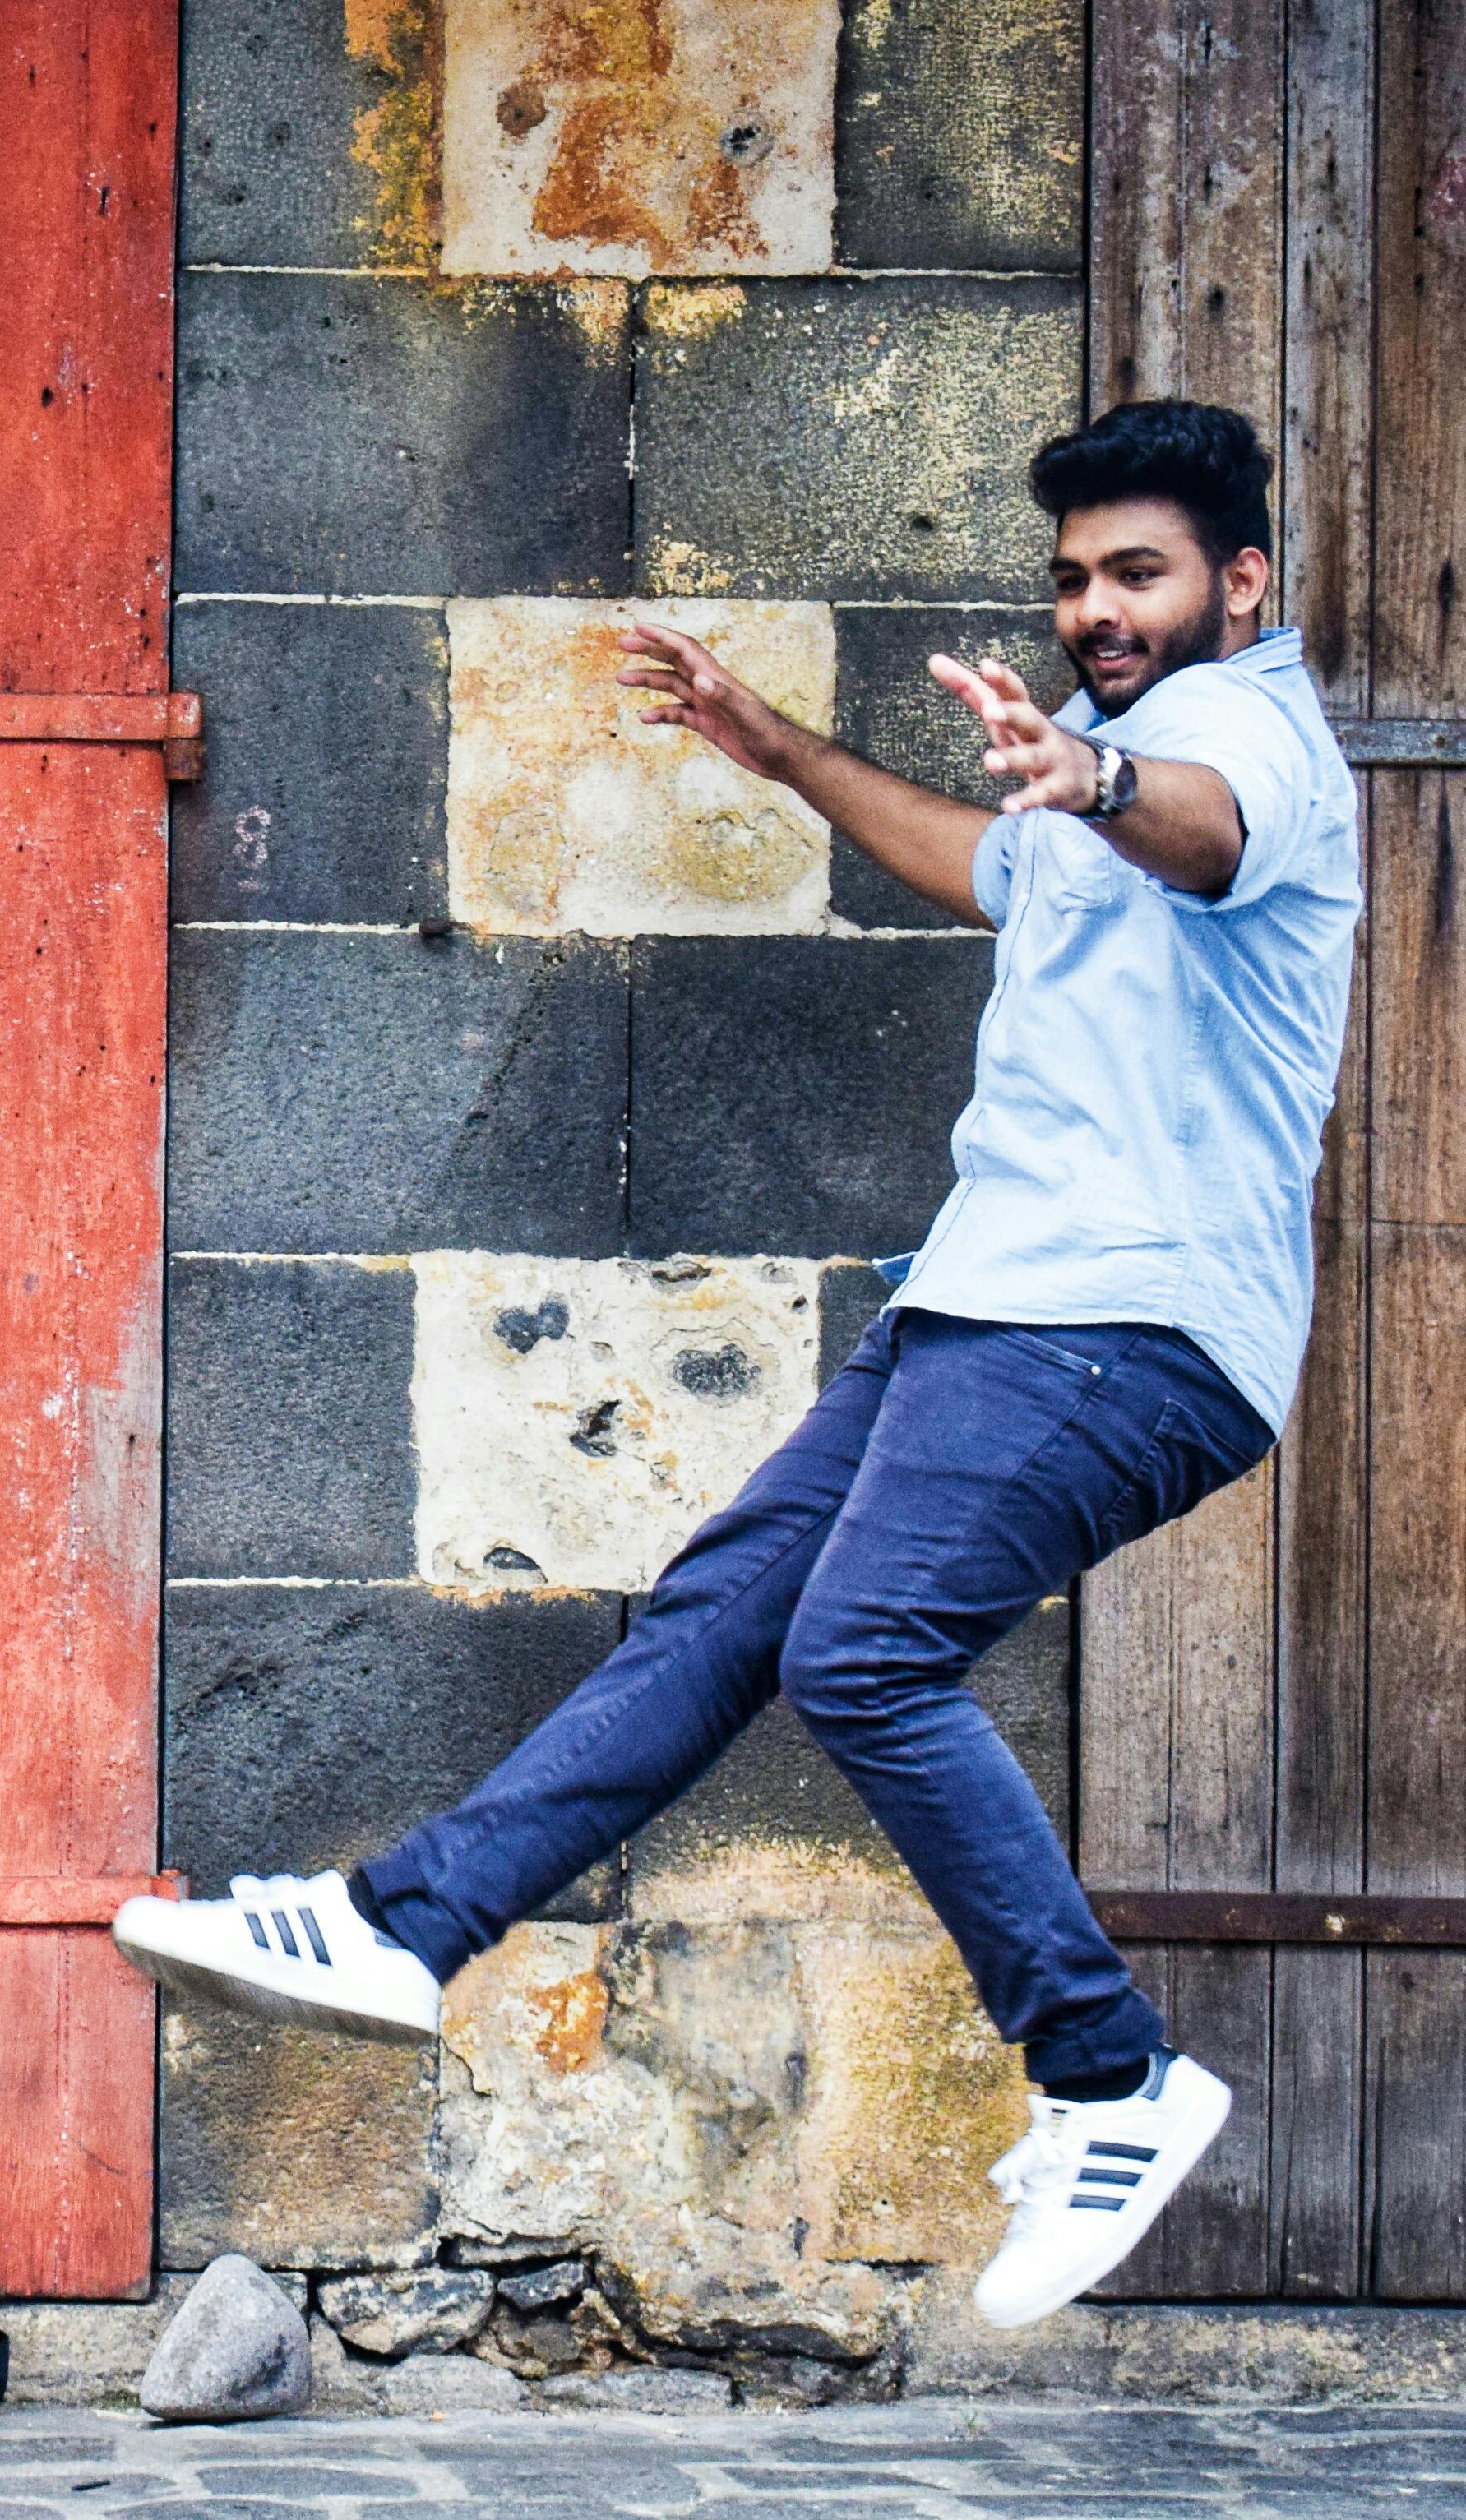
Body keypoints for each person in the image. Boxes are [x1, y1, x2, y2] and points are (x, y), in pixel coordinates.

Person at [117, 397, 1357, 2329]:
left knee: (864, 1647)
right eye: (1073, 580)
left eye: (1140, 573)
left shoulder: (1244, 735)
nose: (1097, 610)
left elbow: (1199, 825)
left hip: (1127, 1314)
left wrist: (1101, 774)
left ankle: (1110, 2069)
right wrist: (780, 749)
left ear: (1242, 581)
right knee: (722, 1617)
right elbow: (988, 864)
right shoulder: (1093, 770)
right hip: (995, 1294)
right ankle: (400, 1925)